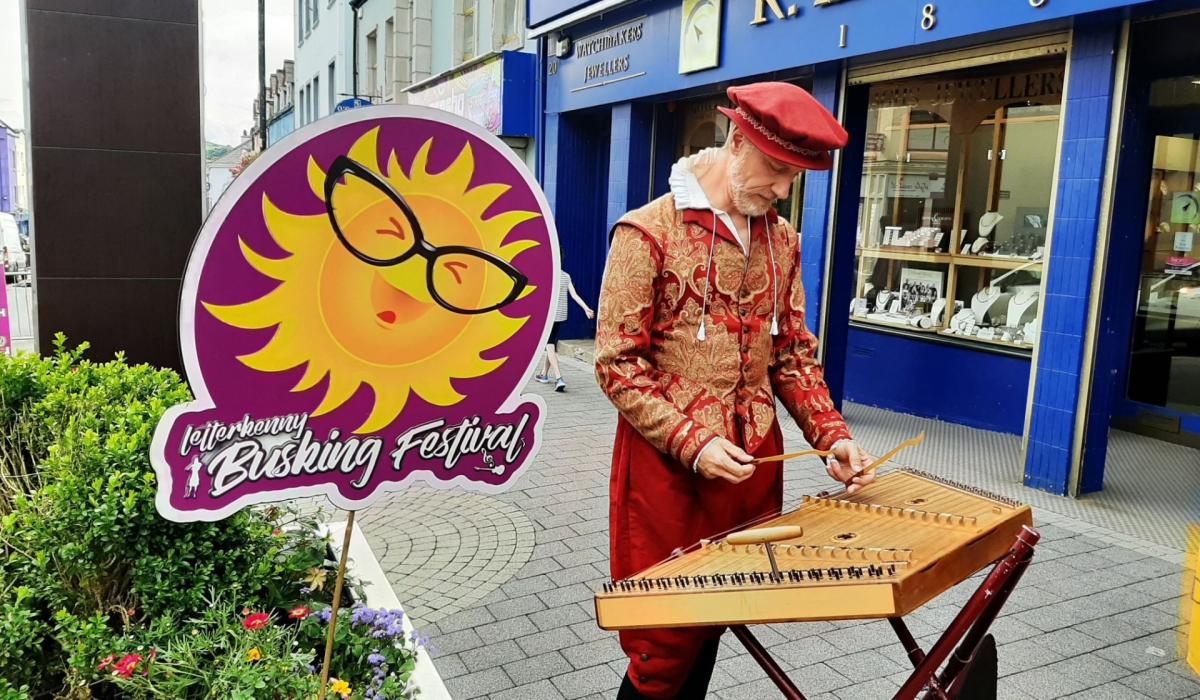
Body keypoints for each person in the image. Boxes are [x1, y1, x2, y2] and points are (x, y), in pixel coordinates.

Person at [595, 82, 877, 700]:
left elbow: (792, 356)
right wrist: (693, 441)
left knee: (715, 619)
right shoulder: (647, 232)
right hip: (668, 474)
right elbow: (616, 364)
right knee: (661, 643)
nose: (782, 191)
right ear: (738, 139)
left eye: (794, 178)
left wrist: (833, 437)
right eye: (777, 170)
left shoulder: (782, 242)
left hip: (751, 468)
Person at [535, 268, 594, 392]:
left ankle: (559, 378)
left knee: (549, 345)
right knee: (551, 345)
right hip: (560, 316)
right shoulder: (566, 276)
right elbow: (574, 295)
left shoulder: (548, 274)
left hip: (549, 316)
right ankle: (544, 374)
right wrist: (586, 308)